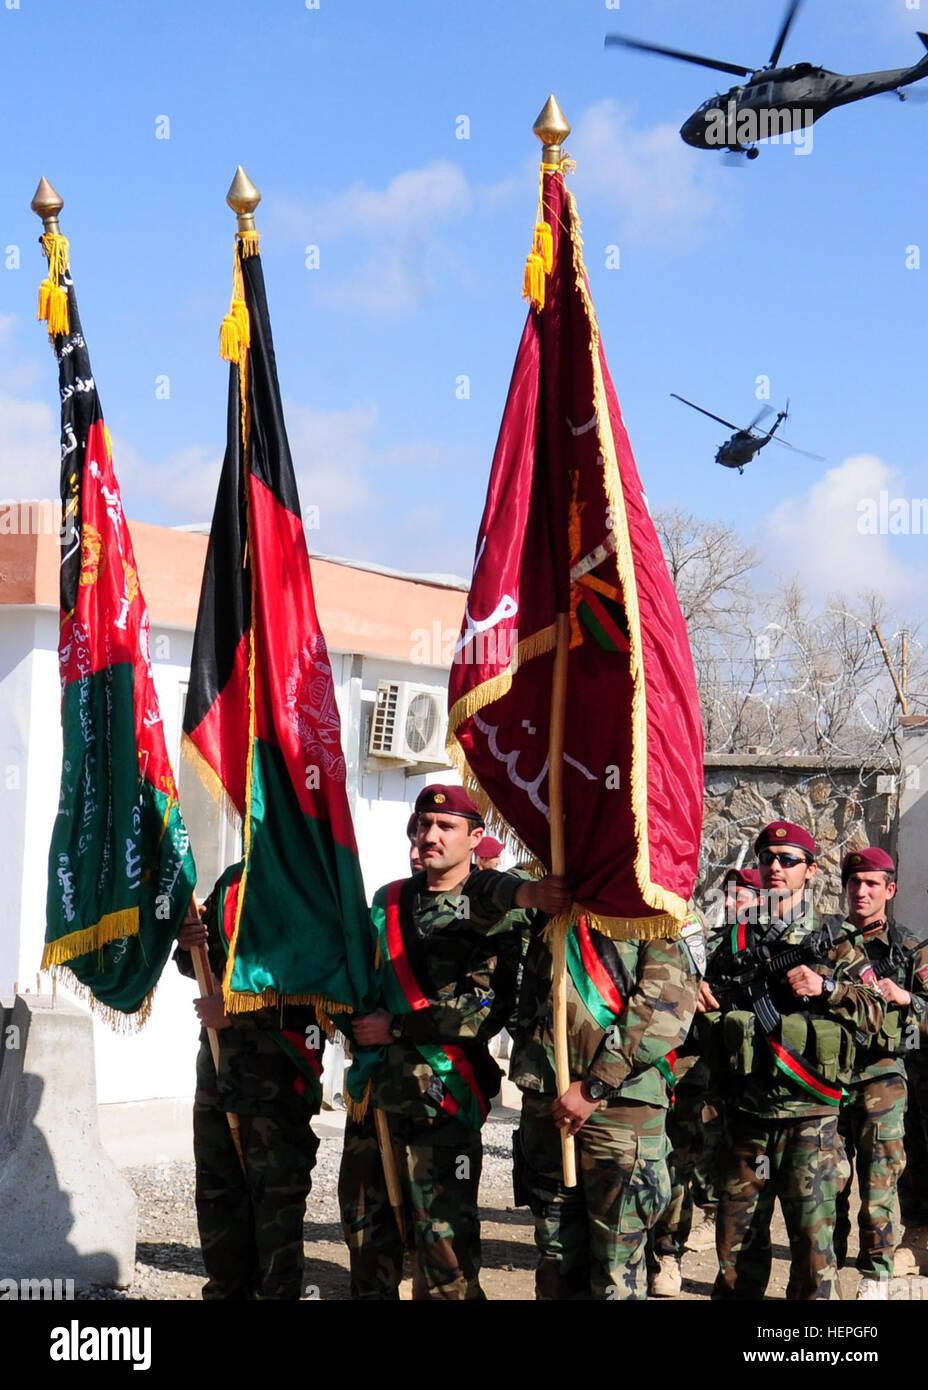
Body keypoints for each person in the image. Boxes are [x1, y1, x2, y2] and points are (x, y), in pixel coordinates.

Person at [337, 784, 568, 1300]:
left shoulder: (494, 909)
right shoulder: (389, 900)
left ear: (475, 837)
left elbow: (486, 1011)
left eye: (446, 827)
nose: (430, 835)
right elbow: (360, 979)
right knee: (365, 1230)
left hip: (440, 1096)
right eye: (422, 825)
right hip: (375, 1094)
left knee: (444, 1248)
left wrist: (397, 1028)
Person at [700, 821, 884, 1301]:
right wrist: (696, 996)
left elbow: (876, 1012)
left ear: (811, 870)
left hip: (811, 1119)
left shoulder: (835, 938)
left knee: (812, 1256)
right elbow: (686, 1003)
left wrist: (827, 988)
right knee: (738, 1255)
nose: (775, 868)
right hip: (747, 1120)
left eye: (788, 859)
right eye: (767, 859)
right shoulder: (731, 941)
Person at [510, 904, 702, 1299]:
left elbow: (664, 1003)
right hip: (547, 1099)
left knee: (617, 1262)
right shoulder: (549, 897)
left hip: (622, 1107)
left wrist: (594, 1085)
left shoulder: (659, 904)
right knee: (555, 1259)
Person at [175, 863, 325, 1300]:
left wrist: (239, 1011)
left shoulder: (309, 868)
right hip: (219, 1070)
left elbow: (321, 981)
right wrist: (189, 946)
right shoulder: (234, 880)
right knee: (219, 1195)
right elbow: (205, 963)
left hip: (277, 1075)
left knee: (275, 1205)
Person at [833, 847, 928, 1299]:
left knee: (879, 1179)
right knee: (825, 1182)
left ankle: (876, 1275)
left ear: (890, 890)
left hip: (881, 1077)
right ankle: (823, 1270)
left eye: (872, 884)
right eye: (855, 883)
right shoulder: (821, 942)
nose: (862, 891)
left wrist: (908, 999)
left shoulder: (910, 948)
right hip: (825, 1078)